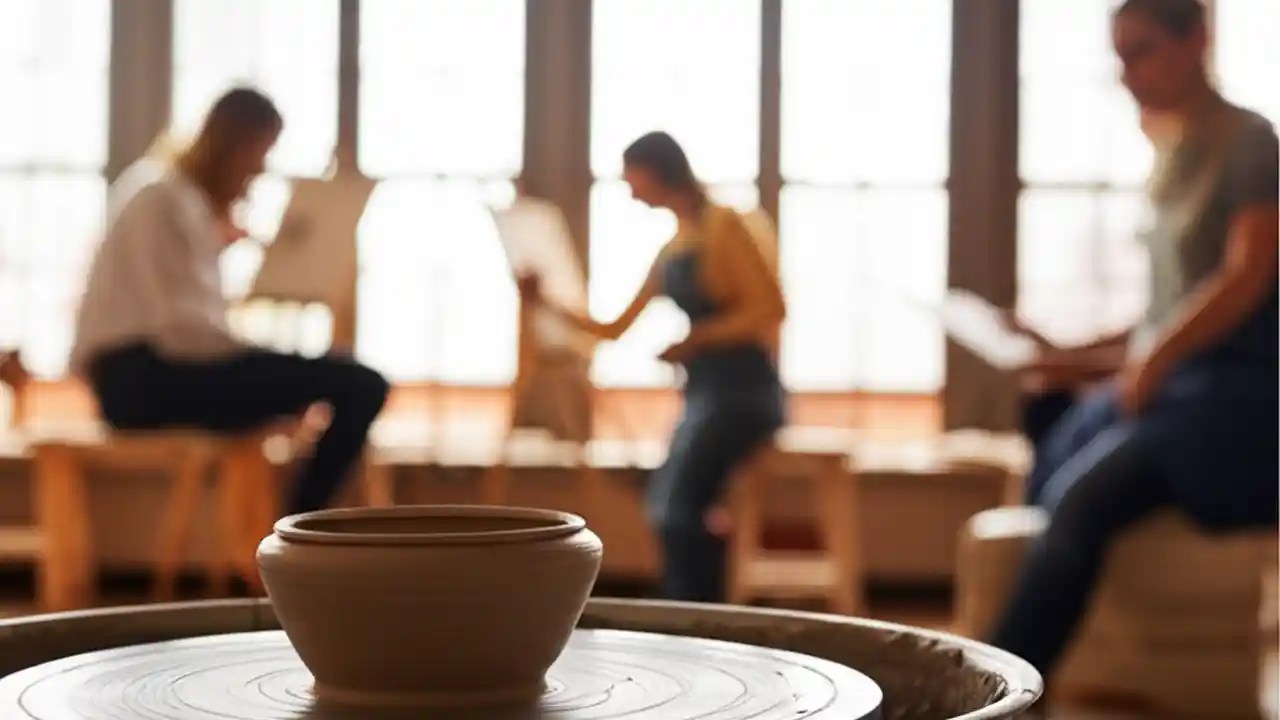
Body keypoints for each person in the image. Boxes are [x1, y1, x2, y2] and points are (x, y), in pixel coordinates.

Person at [990, 0, 1278, 677]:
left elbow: (1246, 277)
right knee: (1045, 417)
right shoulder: (1173, 158)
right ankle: (1040, 655)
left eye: (1142, 51)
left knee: (1081, 500)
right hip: (1175, 383)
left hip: (1230, 398)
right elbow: (1165, 313)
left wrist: (1158, 354)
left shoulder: (1250, 142)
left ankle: (999, 693)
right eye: (1120, 58)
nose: (1129, 74)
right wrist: (1069, 354)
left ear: (1196, 41)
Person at [71, 88, 389, 516]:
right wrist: (263, 361)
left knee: (335, 380)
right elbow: (183, 333)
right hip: (142, 381)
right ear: (233, 144)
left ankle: (294, 520)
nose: (259, 170)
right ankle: (298, 525)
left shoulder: (172, 197)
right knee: (360, 384)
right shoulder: (165, 199)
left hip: (144, 375)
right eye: (259, 153)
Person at [523, 131, 787, 602]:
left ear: (655, 169)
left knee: (675, 507)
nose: (629, 188)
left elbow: (770, 307)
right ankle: (692, 606)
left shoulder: (727, 224)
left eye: (632, 176)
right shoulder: (673, 248)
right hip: (702, 396)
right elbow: (611, 329)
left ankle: (698, 615)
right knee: (670, 505)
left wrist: (697, 340)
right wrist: (545, 301)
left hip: (745, 395)